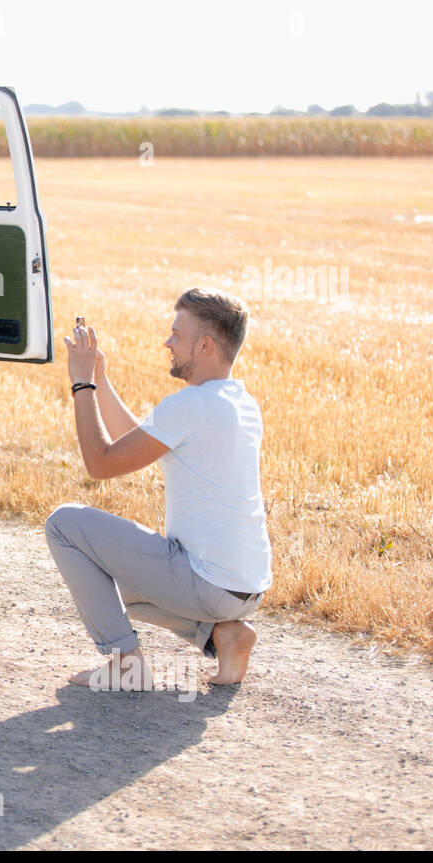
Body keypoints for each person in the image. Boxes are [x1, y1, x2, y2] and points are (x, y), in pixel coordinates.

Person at [45, 288, 272, 689]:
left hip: (206, 584)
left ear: (204, 346)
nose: (167, 342)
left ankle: (127, 666)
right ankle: (224, 634)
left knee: (63, 524)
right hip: (244, 589)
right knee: (105, 587)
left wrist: (81, 384)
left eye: (176, 335)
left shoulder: (191, 405)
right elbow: (137, 440)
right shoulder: (238, 402)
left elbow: (100, 464)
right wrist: (100, 379)